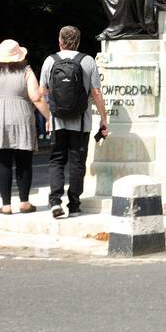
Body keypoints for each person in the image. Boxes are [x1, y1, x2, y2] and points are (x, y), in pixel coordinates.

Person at [40, 25, 110, 218]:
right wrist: (104, 119)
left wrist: (48, 117)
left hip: (58, 121)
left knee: (57, 160)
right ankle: (74, 204)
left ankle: (55, 201)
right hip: (81, 122)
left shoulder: (50, 61)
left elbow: (42, 93)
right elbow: (96, 93)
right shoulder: (87, 61)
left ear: (60, 41)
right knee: (77, 162)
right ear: (78, 42)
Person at [0, 40, 47, 213]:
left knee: (2, 163)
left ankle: (6, 205)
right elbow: (36, 97)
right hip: (21, 118)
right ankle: (24, 202)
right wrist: (49, 117)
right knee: (24, 162)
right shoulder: (26, 71)